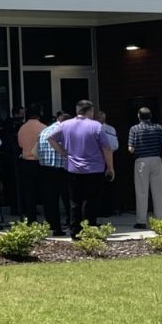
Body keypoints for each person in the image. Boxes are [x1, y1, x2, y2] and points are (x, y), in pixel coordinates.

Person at [52, 100, 115, 236]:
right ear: (90, 111)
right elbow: (107, 148)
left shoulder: (65, 125)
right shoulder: (96, 126)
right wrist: (110, 167)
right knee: (91, 201)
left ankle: (75, 230)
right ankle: (89, 230)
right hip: (94, 169)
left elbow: (51, 138)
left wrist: (62, 151)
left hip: (73, 169)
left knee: (74, 201)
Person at [127, 107, 162, 228]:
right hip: (156, 159)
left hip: (141, 161)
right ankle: (160, 220)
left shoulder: (134, 129)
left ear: (138, 116)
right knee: (158, 191)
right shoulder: (158, 127)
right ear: (151, 116)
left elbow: (131, 149)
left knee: (141, 191)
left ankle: (141, 221)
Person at [37, 113, 70, 235]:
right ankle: (71, 223)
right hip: (62, 169)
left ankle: (53, 226)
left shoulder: (44, 131)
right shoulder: (63, 131)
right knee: (68, 198)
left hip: (45, 169)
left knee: (50, 200)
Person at [15, 107, 47, 230]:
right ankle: (48, 217)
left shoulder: (22, 129)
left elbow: (20, 145)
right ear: (39, 115)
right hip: (40, 163)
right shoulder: (43, 128)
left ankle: (31, 218)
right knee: (45, 192)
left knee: (29, 192)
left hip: (26, 162)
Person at [0, 105, 27, 226]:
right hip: (12, 159)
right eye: (21, 113)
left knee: (18, 184)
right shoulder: (11, 125)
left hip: (13, 158)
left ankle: (20, 206)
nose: (23, 115)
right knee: (14, 184)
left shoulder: (14, 124)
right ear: (16, 113)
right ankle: (16, 207)